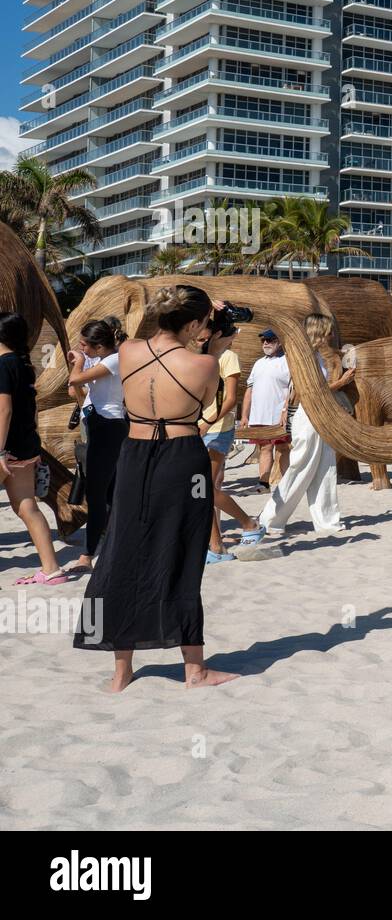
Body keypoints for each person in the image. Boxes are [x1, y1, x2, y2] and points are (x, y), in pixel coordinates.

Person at [72, 285, 238, 691]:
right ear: (197, 324)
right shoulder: (204, 365)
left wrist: (196, 318)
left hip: (132, 454)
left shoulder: (126, 350)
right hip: (181, 457)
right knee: (182, 552)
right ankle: (194, 671)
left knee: (121, 552)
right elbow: (204, 400)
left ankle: (120, 670)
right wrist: (212, 344)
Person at [257, 314, 349, 536]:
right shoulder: (303, 356)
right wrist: (342, 383)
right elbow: (310, 391)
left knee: (325, 469)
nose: (332, 335)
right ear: (319, 332)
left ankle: (327, 521)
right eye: (328, 331)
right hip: (308, 417)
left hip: (318, 416)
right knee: (300, 468)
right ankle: (270, 518)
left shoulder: (315, 356)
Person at [0, 312, 63, 585]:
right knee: (28, 507)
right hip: (25, 448)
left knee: (26, 507)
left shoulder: (3, 365)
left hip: (6, 450)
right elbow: (30, 409)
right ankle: (51, 569)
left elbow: (4, 411)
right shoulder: (23, 364)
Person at [64, 317, 129, 573]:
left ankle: (88, 553)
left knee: (96, 492)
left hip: (109, 427)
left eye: (84, 345)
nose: (81, 348)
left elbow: (74, 381)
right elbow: (76, 390)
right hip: (100, 424)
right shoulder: (103, 360)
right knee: (108, 490)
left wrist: (79, 364)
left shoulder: (113, 360)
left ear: (99, 345)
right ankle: (111, 542)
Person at [197, 319, 264, 562]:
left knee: (205, 489)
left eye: (205, 339)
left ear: (217, 336)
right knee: (201, 491)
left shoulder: (228, 357)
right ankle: (215, 547)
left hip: (216, 429)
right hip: (198, 429)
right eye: (198, 338)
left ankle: (249, 524)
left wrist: (206, 422)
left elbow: (231, 399)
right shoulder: (200, 356)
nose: (200, 342)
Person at [239, 329, 291, 490]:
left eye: (270, 339)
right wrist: (245, 415)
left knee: (283, 448)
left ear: (279, 341)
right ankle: (263, 484)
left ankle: (287, 485)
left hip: (278, 415)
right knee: (265, 448)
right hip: (258, 415)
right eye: (263, 340)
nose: (266, 343)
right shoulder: (258, 363)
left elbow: (293, 388)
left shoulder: (288, 361)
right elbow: (249, 390)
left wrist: (285, 410)